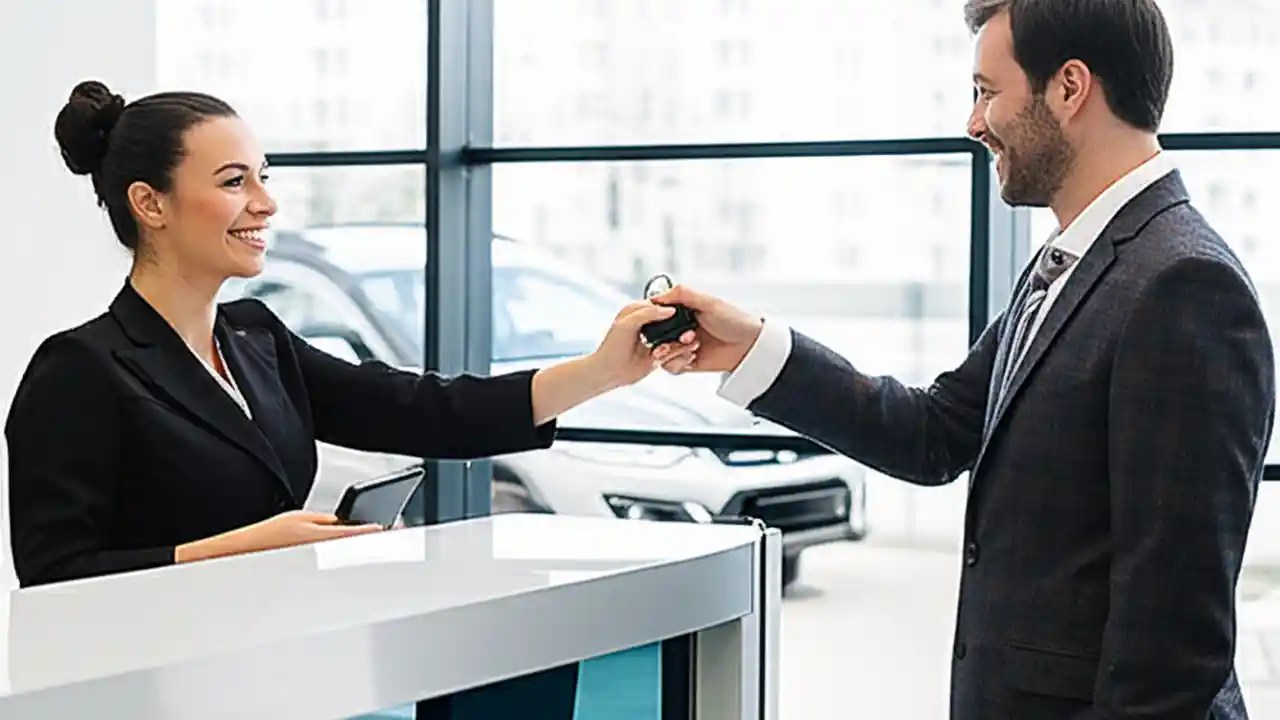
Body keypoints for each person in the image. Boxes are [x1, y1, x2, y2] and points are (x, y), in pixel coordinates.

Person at [649, 1, 1273, 718]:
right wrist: (753, 349)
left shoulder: (1184, 286)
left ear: (1069, 88)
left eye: (985, 91)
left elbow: (1172, 646)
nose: (973, 123)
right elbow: (937, 431)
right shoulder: (1073, 262)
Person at [5, 80, 699, 589]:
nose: (266, 201)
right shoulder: (79, 371)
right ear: (149, 203)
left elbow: (424, 410)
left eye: (264, 176)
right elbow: (53, 578)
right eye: (233, 180)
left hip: (275, 666)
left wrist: (606, 370)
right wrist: (239, 548)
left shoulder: (257, 339)